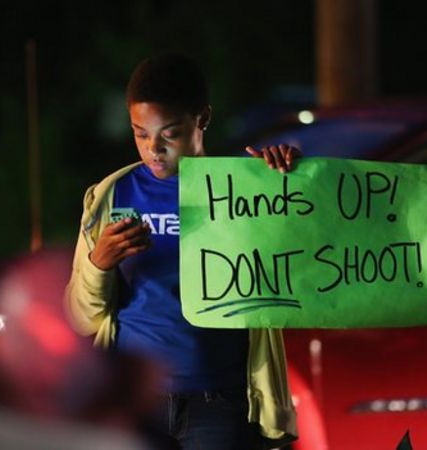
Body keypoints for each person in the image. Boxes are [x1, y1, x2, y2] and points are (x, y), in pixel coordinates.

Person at [64, 53, 298, 450]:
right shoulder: (111, 195)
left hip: (218, 401)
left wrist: (289, 186)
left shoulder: (243, 189)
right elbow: (81, 318)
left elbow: (299, 268)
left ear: (202, 118)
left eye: (168, 133)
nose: (153, 149)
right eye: (140, 134)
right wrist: (97, 264)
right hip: (136, 399)